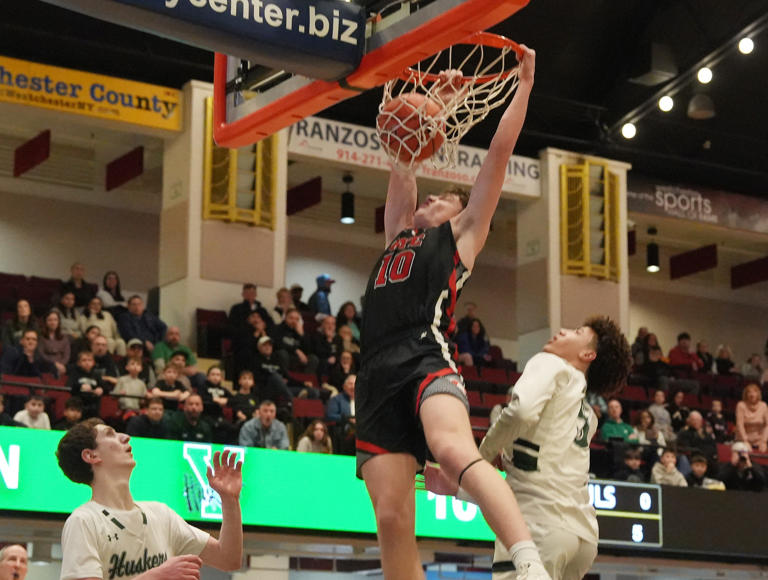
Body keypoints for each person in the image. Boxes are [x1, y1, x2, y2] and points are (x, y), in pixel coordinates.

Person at [357, 49, 542, 580]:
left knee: (452, 450)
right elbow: (403, 160)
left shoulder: (461, 237)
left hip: (425, 359)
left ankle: (528, 565)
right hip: (373, 377)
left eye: (443, 197)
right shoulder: (399, 234)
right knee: (392, 519)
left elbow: (498, 155)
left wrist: (523, 86)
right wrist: (439, 102)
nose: (432, 197)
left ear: (461, 216)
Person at [429, 316, 631, 580]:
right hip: (583, 536)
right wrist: (461, 490)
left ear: (587, 353)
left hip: (540, 529)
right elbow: (539, 480)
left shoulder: (551, 364)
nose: (562, 330)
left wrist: (478, 461)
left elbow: (521, 412)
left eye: (576, 331)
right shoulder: (587, 414)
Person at [56, 418, 243, 578]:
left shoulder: (161, 514)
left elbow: (228, 559)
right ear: (91, 455)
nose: (125, 437)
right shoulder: (84, 521)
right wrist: (156, 576)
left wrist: (230, 501)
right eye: (110, 434)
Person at [273, 308, 318, 374]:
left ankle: (307, 381)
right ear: (285, 318)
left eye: (296, 319)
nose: (294, 321)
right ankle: (284, 377)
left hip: (297, 358)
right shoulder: (278, 328)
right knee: (283, 353)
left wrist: (302, 335)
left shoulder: (300, 331)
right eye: (291, 318)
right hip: (284, 356)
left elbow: (309, 350)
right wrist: (296, 350)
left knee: (313, 358)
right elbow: (277, 344)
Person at [68, 350, 105, 419]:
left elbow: (105, 388)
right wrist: (80, 386)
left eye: (89, 360)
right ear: (79, 363)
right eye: (84, 360)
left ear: (93, 362)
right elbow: (69, 386)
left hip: (93, 407)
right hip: (79, 406)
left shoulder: (97, 375)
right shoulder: (74, 373)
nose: (87, 363)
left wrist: (101, 389)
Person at [735, 382, 768, 452]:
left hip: (759, 441)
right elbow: (739, 424)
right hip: (743, 440)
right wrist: (745, 441)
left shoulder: (763, 406)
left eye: (754, 392)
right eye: (749, 392)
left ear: (758, 394)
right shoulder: (741, 405)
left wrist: (764, 441)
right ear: (746, 394)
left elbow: (767, 425)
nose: (752, 395)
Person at [39, 309, 71, 376]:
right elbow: (41, 354)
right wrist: (55, 364)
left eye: (55, 320)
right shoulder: (41, 337)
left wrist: (61, 364)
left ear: (59, 322)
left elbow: (66, 355)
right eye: (50, 320)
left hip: (62, 364)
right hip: (46, 364)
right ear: (45, 322)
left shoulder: (64, 337)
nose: (53, 322)